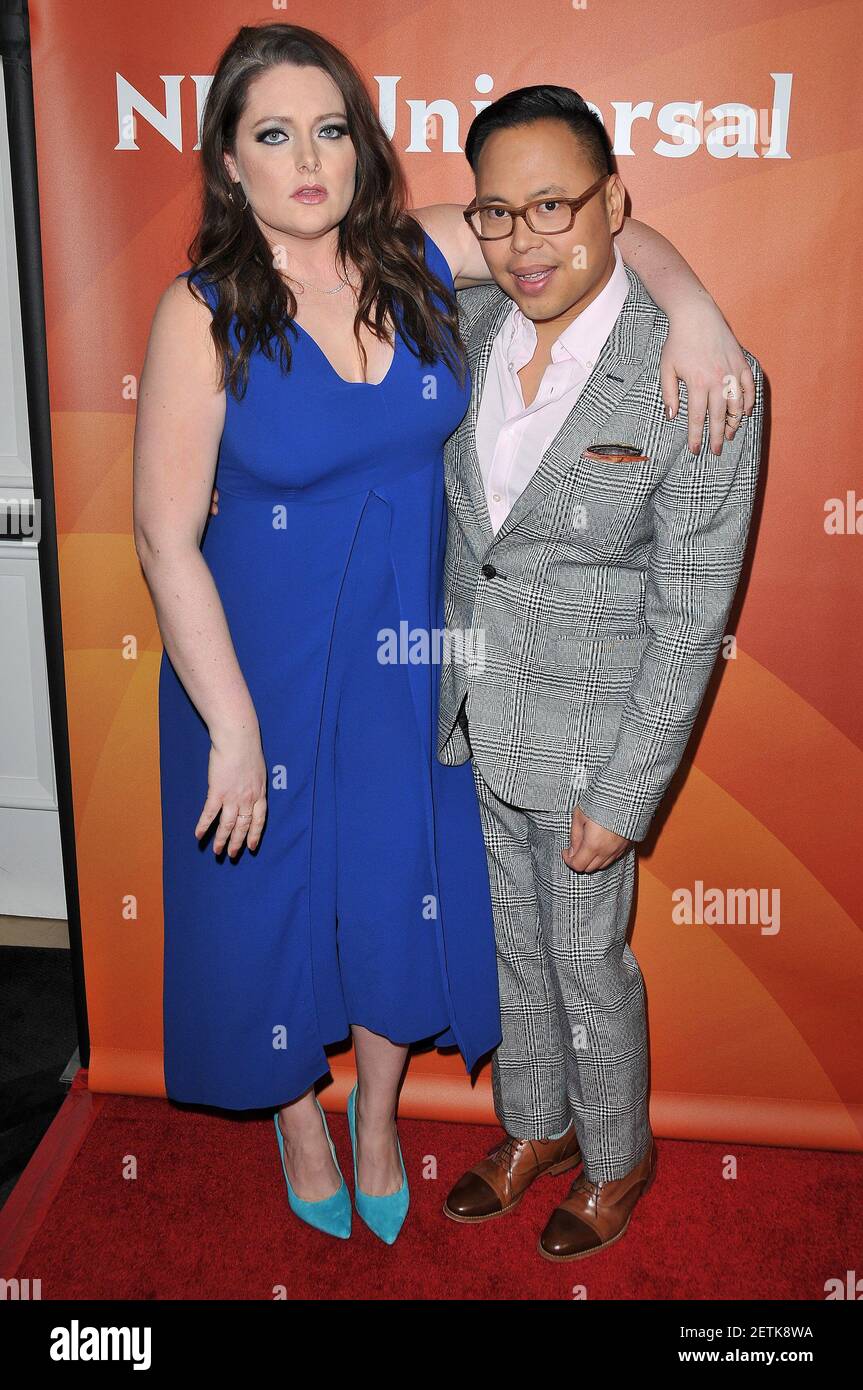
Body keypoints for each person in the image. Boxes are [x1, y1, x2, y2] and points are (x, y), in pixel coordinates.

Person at [135, 20, 755, 1248]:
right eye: (273, 133)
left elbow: (599, 230)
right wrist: (233, 730)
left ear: (359, 147)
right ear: (228, 163)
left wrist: (692, 311)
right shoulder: (199, 313)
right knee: (261, 910)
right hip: (249, 667)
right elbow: (163, 539)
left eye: (328, 129)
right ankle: (297, 1113)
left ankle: (374, 1109)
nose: (306, 158)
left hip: (413, 661)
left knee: (386, 895)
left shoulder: (423, 257)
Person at [438, 85, 763, 1260]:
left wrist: (625, 795)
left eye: (553, 206)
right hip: (469, 716)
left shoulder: (701, 374)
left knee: (585, 960)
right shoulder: (468, 322)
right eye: (495, 213)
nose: (524, 241)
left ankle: (616, 1152)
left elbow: (690, 613)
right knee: (510, 947)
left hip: (590, 743)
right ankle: (534, 1128)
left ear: (615, 201)